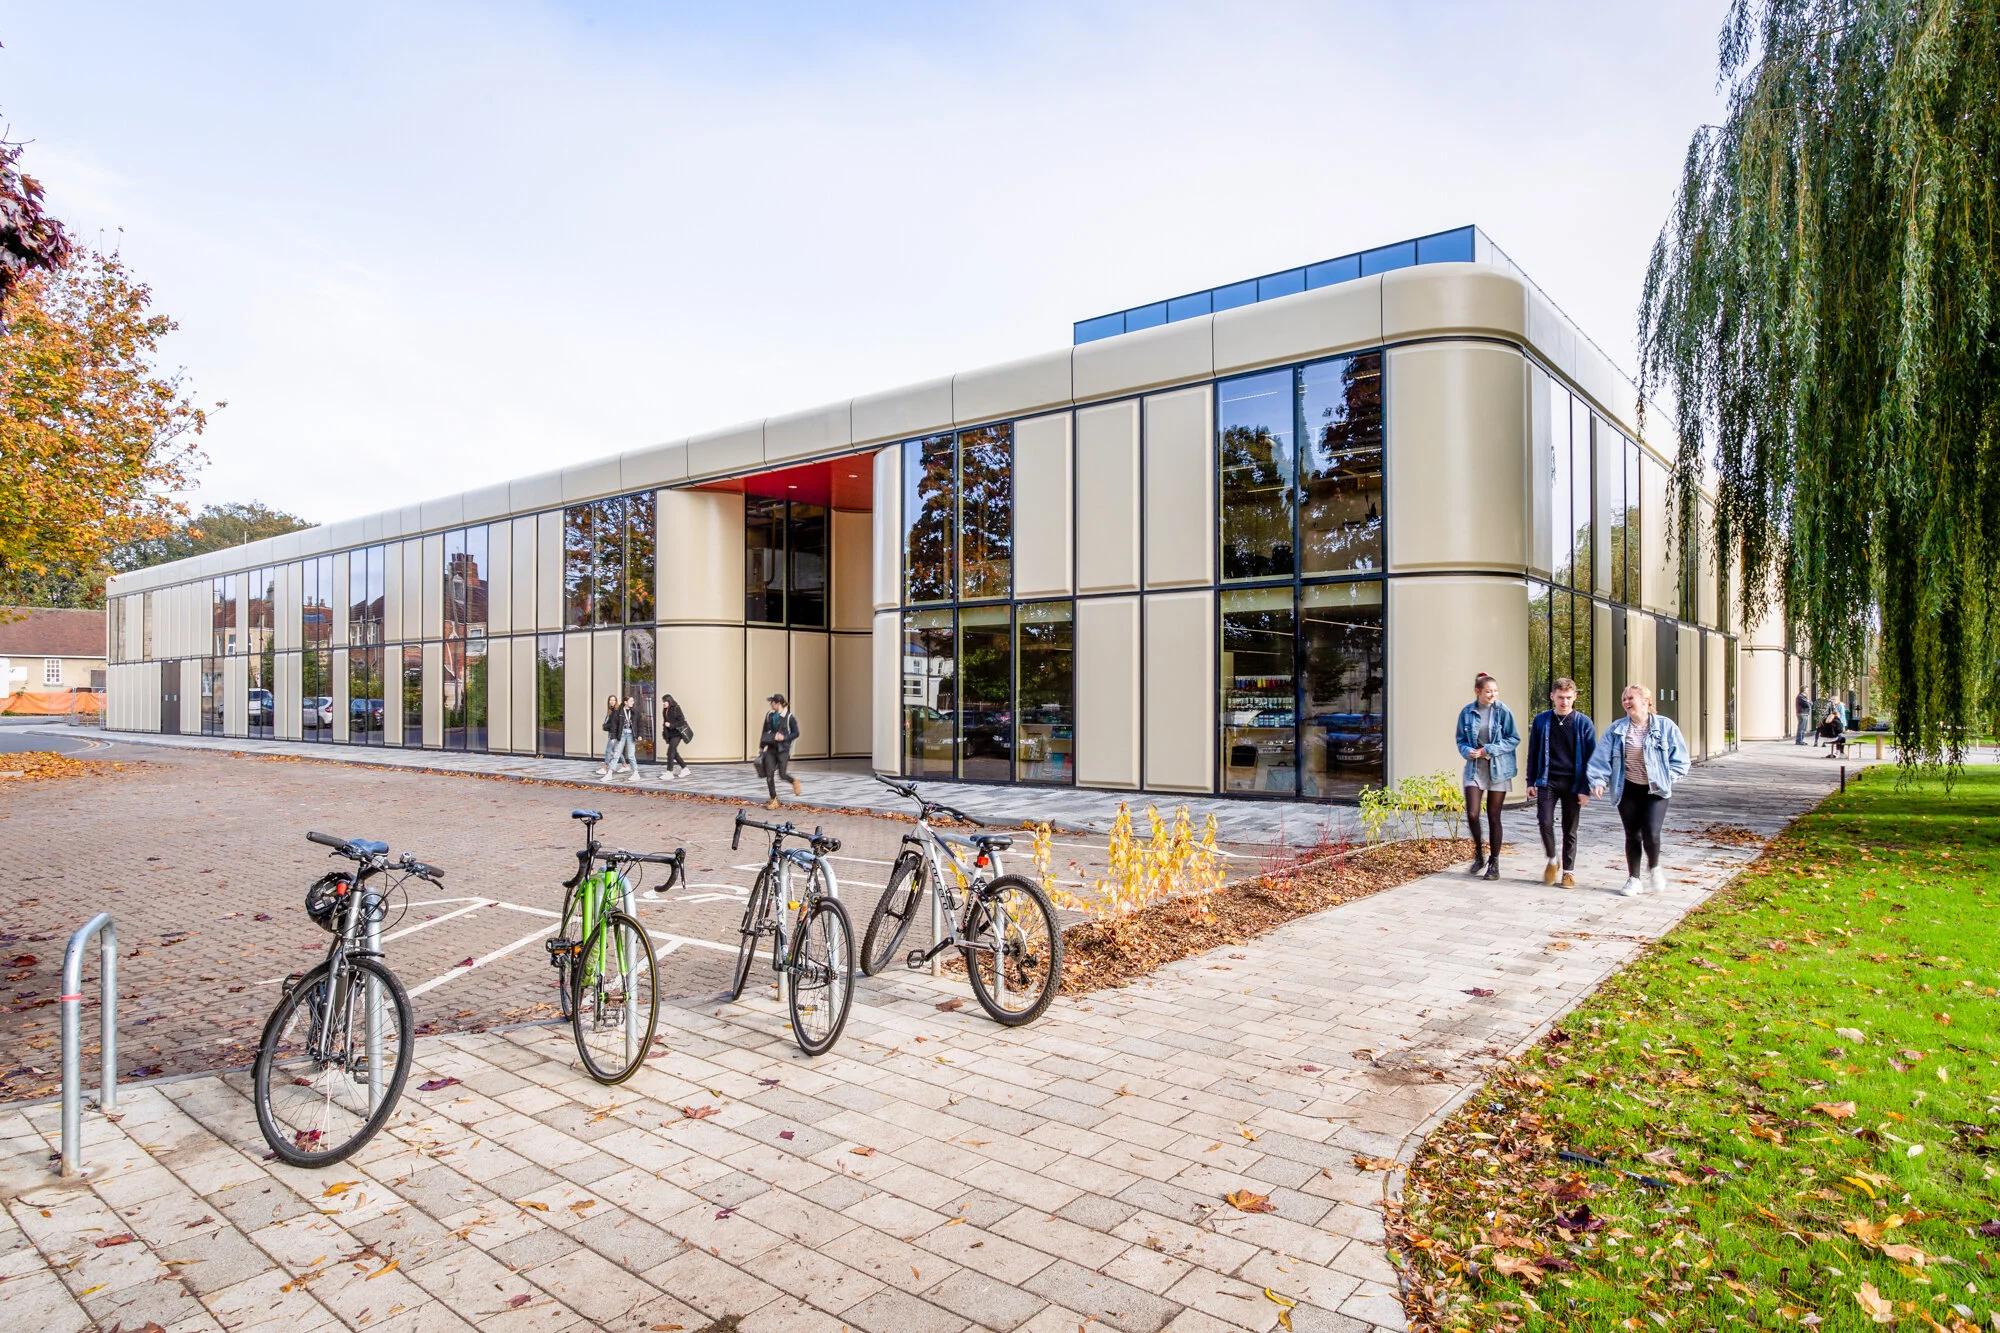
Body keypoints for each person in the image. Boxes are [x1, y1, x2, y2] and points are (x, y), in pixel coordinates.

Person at [1586, 683, 1692, 897]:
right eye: (1624, 699)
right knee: (1632, 834)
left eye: (1630, 698)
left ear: (1645, 701)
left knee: (1651, 832)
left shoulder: (1666, 727)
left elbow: (1681, 760)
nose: (1626, 702)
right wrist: (1598, 780)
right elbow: (1601, 757)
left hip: (1655, 790)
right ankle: (1634, 879)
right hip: (1628, 788)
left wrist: (1666, 777)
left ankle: (1654, 867)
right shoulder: (1617, 729)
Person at [1525, 677, 1595, 888]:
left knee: (1570, 829)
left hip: (1574, 784)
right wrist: (1530, 781)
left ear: (1575, 697)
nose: (1564, 702)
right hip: (1548, 780)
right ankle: (1552, 860)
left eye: (1568, 697)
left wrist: (1586, 788)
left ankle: (1568, 872)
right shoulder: (1541, 721)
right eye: (1560, 697)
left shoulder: (1583, 723)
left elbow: (1593, 758)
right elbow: (1533, 752)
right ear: (1552, 696)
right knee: (1544, 822)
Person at [1455, 673, 1519, 881]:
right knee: (1472, 813)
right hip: (1475, 769)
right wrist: (1467, 751)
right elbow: (1461, 740)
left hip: (1498, 768)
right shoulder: (1467, 712)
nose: (1493, 694)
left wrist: (1488, 749)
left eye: (1495, 691)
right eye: (1488, 691)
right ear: (1478, 691)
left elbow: (1513, 739)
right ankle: (1478, 854)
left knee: (1494, 816)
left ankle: (1494, 862)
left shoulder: (1503, 711)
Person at [756, 692, 801, 809]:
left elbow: (796, 733)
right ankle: (773, 800)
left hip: (783, 750)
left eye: (772, 702)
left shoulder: (789, 717)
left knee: (782, 774)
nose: (771, 704)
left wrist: (784, 737)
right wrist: (761, 746)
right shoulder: (769, 716)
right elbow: (764, 731)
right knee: (769, 775)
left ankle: (793, 781)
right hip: (771, 749)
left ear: (778, 704)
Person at [658, 693, 691, 781]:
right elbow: (665, 722)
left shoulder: (676, 708)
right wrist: (665, 733)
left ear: (669, 701)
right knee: (674, 752)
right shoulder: (665, 710)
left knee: (670, 752)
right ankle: (685, 768)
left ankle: (669, 772)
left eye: (665, 701)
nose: (663, 703)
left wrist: (671, 725)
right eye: (663, 702)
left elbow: (681, 721)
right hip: (670, 734)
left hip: (677, 733)